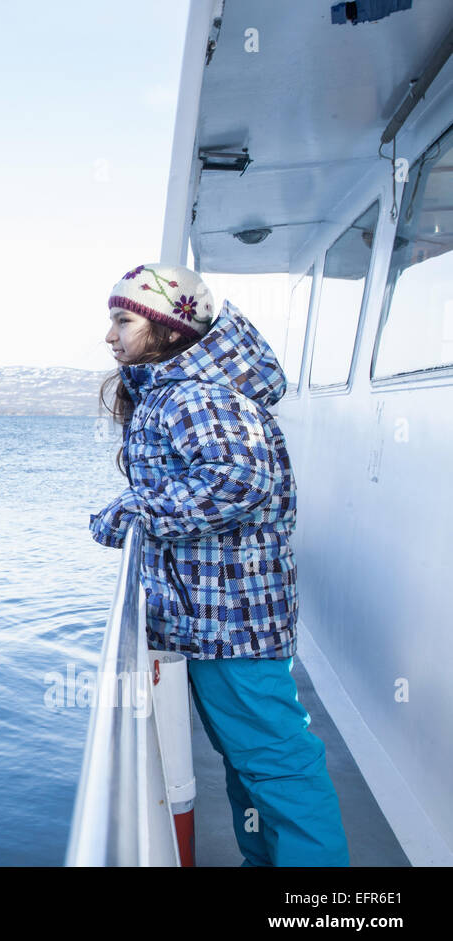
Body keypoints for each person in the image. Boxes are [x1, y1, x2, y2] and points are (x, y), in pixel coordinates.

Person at [89, 262, 349, 867]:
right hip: (214, 614)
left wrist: (136, 508)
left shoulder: (197, 396)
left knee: (277, 766)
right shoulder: (175, 389)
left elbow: (239, 480)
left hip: (232, 618)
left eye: (123, 320)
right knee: (250, 764)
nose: (109, 336)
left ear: (169, 329)